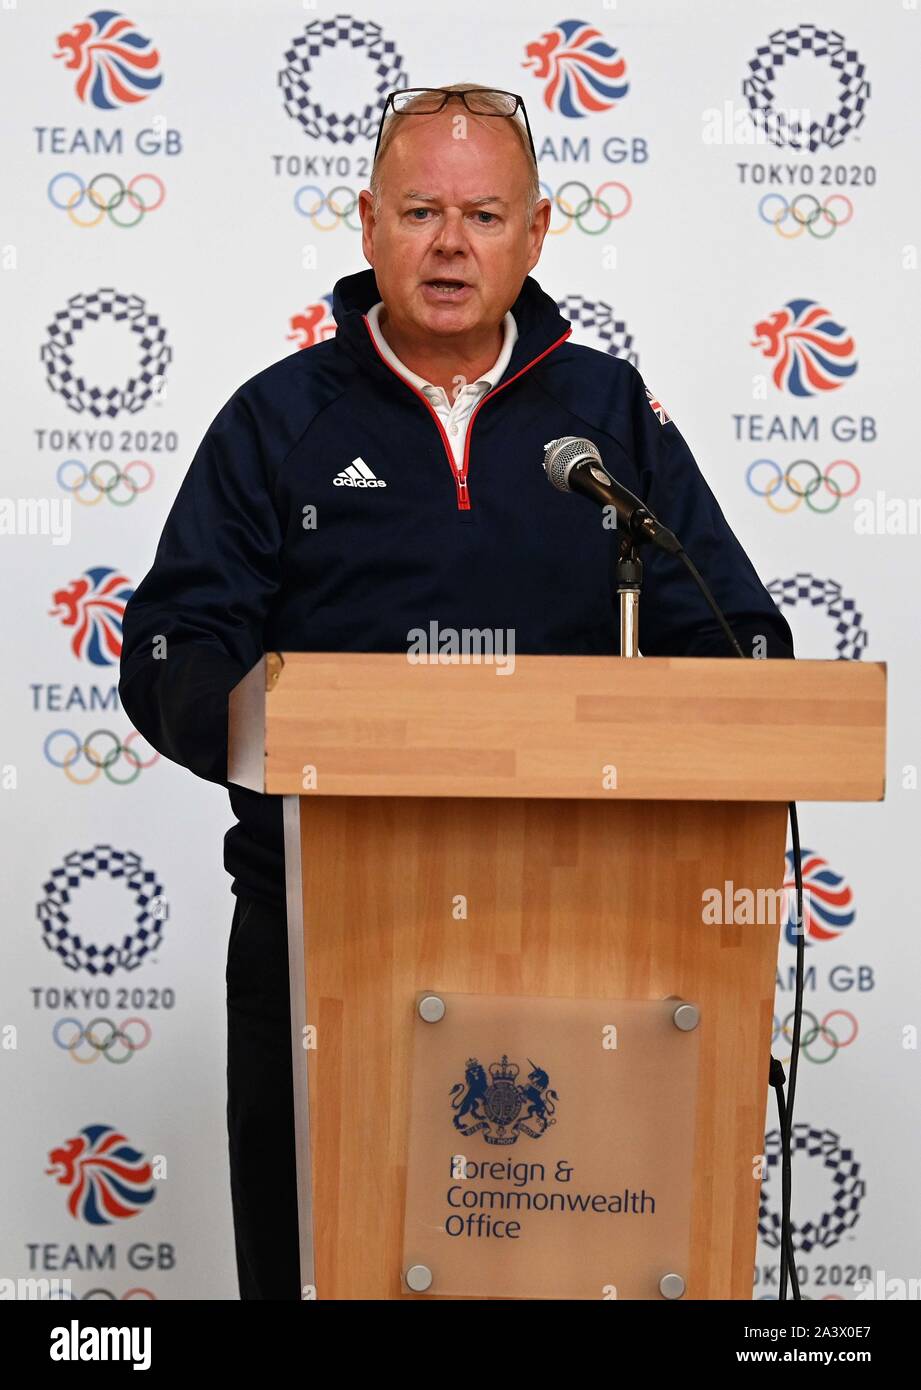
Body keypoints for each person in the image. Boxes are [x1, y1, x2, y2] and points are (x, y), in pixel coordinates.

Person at [118, 83, 794, 1300]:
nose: (449, 243)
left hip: (595, 929)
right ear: (367, 221)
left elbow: (736, 631)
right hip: (325, 928)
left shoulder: (607, 417)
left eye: (484, 214)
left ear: (536, 237)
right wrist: (279, 727)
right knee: (321, 1268)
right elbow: (175, 643)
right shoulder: (276, 423)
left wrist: (731, 710)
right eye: (421, 209)